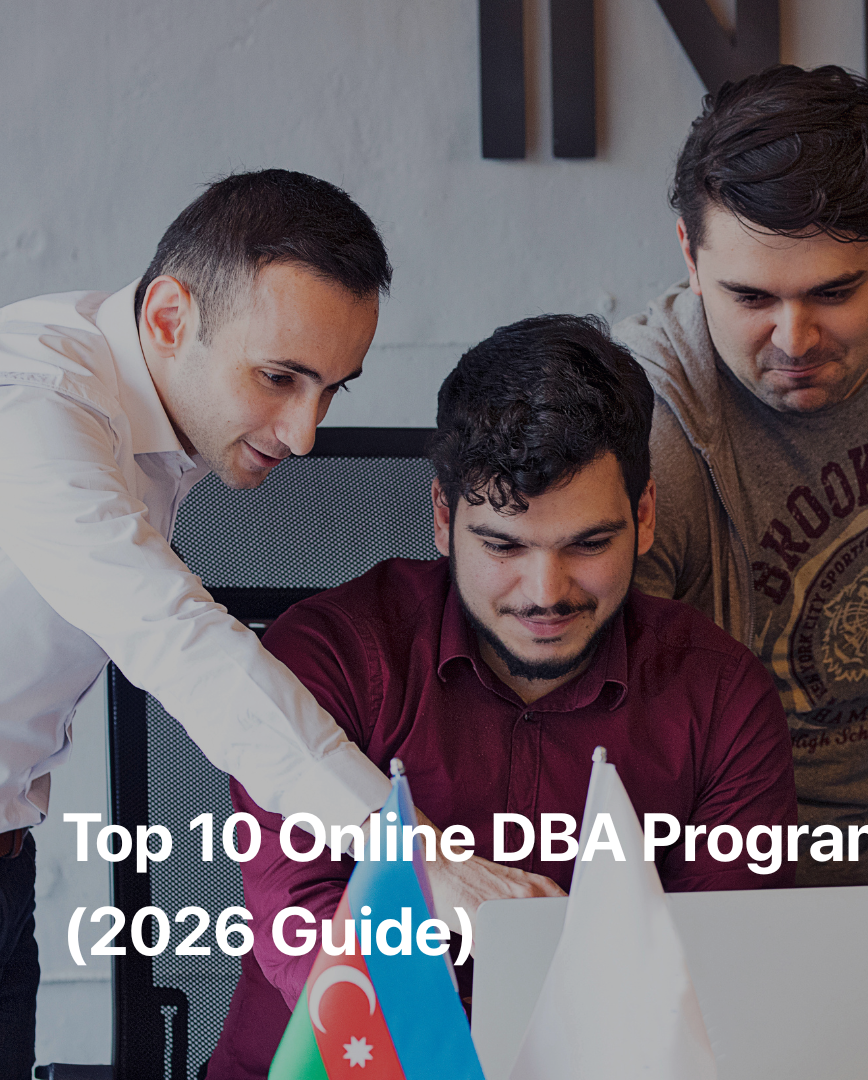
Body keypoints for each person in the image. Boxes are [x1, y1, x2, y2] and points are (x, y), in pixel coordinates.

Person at [205, 314, 798, 1077]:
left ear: (644, 516)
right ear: (443, 518)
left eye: (588, 543)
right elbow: (310, 940)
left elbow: (711, 981)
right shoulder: (326, 659)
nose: (545, 592)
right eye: (503, 546)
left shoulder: (722, 698)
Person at [616, 64, 868, 1079]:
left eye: (835, 292)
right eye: (750, 296)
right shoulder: (648, 429)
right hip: (717, 883)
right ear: (688, 256)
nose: (793, 340)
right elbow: (620, 729)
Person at [0, 169, 408, 1079]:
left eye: (331, 390)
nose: (304, 433)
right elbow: (178, 639)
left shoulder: (163, 406)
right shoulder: (28, 402)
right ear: (168, 318)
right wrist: (403, 847)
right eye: (279, 378)